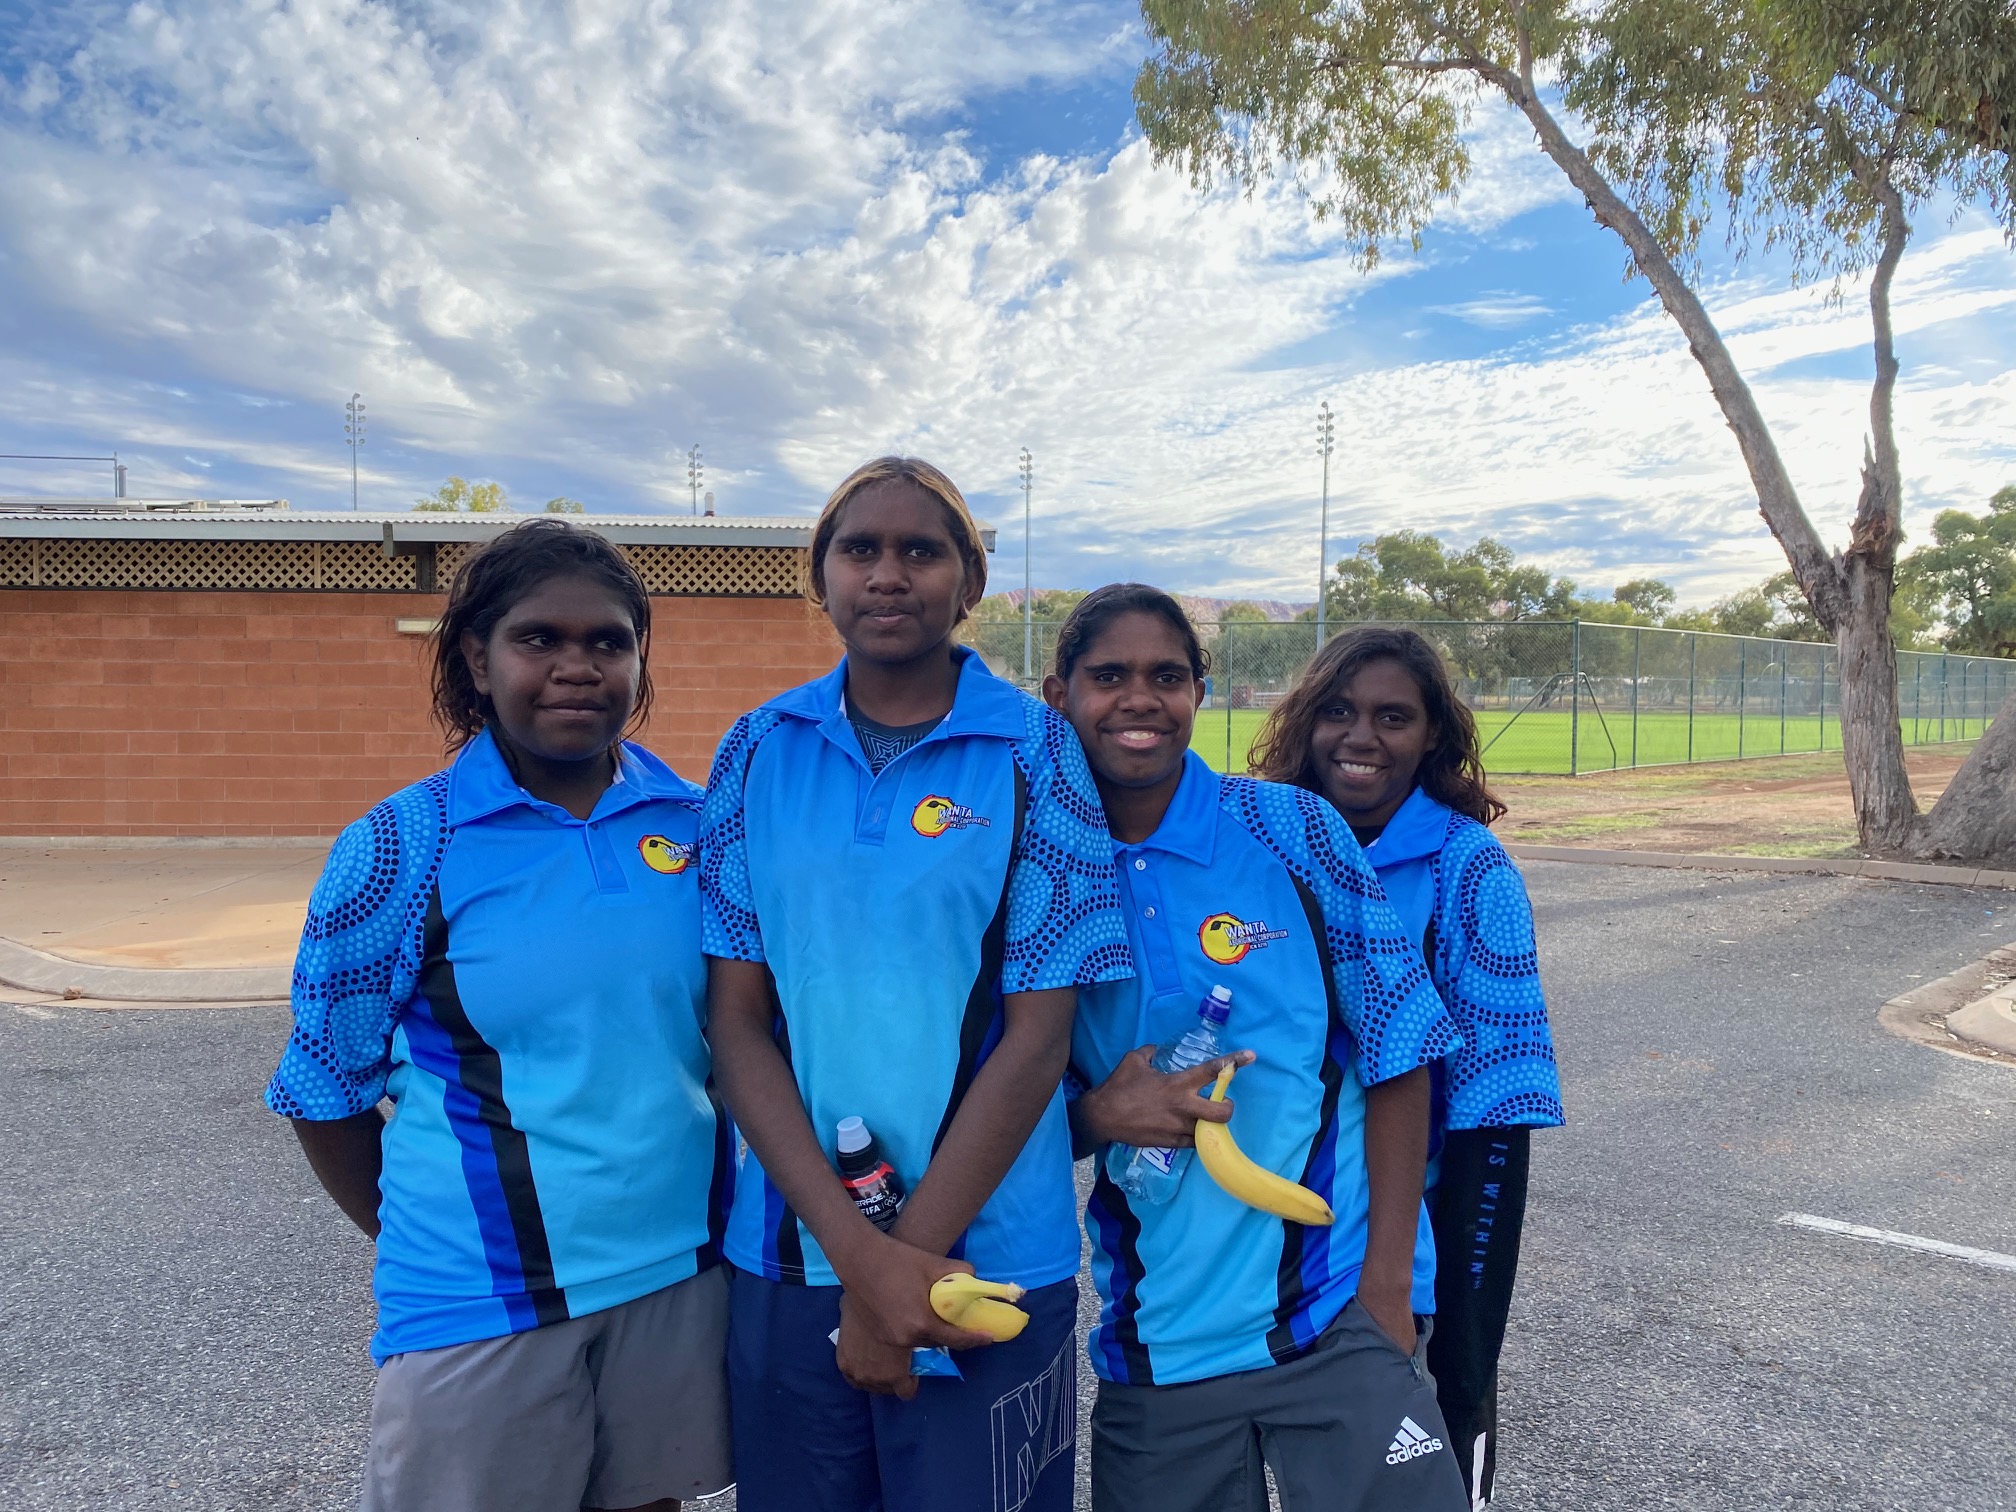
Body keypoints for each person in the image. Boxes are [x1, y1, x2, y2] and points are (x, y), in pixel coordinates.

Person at [265, 518, 732, 1512]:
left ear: (640, 662)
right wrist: (432, 1247)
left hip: (673, 1273)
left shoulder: (694, 825)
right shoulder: (400, 848)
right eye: (539, 640)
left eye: (608, 641)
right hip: (482, 1303)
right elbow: (323, 1086)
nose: (577, 667)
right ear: (478, 659)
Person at [699, 457, 1134, 1512]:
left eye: (920, 550)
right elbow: (737, 1024)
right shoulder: (756, 748)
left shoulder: (1038, 752)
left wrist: (908, 1266)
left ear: (968, 582)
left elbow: (1038, 1039)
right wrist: (862, 1262)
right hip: (791, 1256)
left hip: (989, 1258)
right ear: (822, 577)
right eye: (860, 549)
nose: (887, 574)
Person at [1045, 584, 1470, 1512]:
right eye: (1108, 676)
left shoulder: (1291, 831)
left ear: (1200, 691)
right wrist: (1095, 1117)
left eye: (1167, 675)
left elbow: (1400, 1053)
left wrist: (1388, 1291)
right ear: (1060, 694)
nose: (1139, 699)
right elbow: (1015, 1104)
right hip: (1159, 1341)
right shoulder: (1041, 867)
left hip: (1332, 1313)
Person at [1251, 625, 1564, 1511]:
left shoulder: (1469, 868)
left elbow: (1496, 1103)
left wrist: (1426, 1276)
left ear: (1433, 736)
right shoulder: (1265, 839)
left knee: (1435, 1413)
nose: (1362, 738)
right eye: (1339, 712)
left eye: (1395, 717)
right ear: (1306, 722)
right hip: (1275, 1197)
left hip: (1420, 1203)